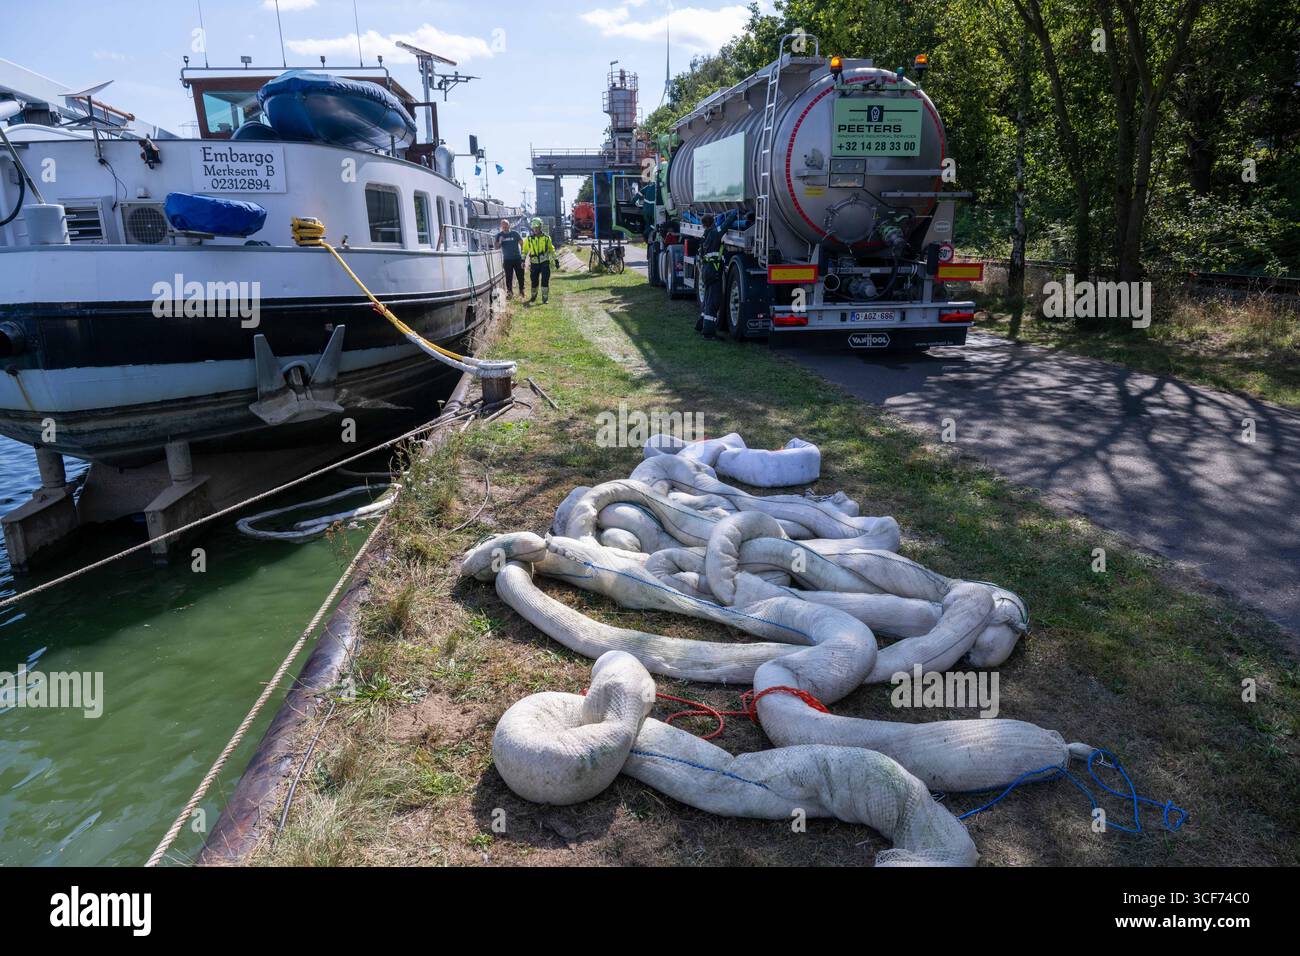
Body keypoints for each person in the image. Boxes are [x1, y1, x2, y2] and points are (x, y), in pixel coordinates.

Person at [697, 210, 738, 338]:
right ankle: (708, 333)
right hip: (713, 271)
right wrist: (734, 214)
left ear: (704, 225)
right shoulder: (715, 233)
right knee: (714, 301)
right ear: (712, 222)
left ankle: (701, 324)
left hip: (706, 270)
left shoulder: (706, 234)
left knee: (708, 298)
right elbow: (726, 225)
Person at [522, 217, 558, 305]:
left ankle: (545, 298)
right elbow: (524, 250)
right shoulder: (529, 239)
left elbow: (551, 249)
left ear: (540, 227)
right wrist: (522, 260)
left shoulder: (546, 238)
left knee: (545, 280)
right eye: (534, 228)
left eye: (537, 228)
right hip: (534, 263)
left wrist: (556, 259)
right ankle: (533, 297)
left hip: (544, 262)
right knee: (534, 281)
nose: (535, 230)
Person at [495, 218, 525, 298]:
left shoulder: (515, 233)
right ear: (501, 226)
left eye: (506, 225)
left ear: (509, 226)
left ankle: (521, 291)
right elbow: (496, 247)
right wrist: (500, 241)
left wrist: (522, 255)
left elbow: (522, 243)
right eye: (503, 226)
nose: (505, 227)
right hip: (507, 260)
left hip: (517, 258)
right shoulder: (499, 235)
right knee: (508, 277)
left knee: (520, 276)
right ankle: (510, 292)